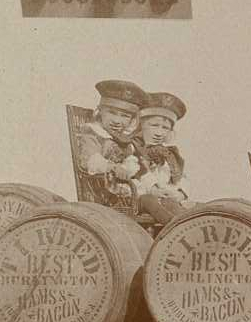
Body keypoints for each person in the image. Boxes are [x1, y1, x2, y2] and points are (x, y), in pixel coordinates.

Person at [76, 79, 149, 209]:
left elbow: (130, 161)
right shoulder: (93, 133)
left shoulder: (124, 140)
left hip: (124, 188)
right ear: (100, 111)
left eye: (125, 116)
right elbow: (90, 159)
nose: (117, 121)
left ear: (132, 120)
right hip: (103, 192)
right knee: (151, 203)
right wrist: (113, 167)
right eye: (111, 112)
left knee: (155, 199)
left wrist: (131, 168)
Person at [133, 91, 190, 226]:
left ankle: (187, 225)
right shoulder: (134, 148)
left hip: (168, 196)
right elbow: (138, 175)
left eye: (165, 128)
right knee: (163, 205)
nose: (159, 133)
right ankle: (176, 227)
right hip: (143, 197)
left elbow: (183, 176)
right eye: (154, 125)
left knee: (176, 205)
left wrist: (180, 193)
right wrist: (154, 190)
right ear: (141, 125)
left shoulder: (170, 153)